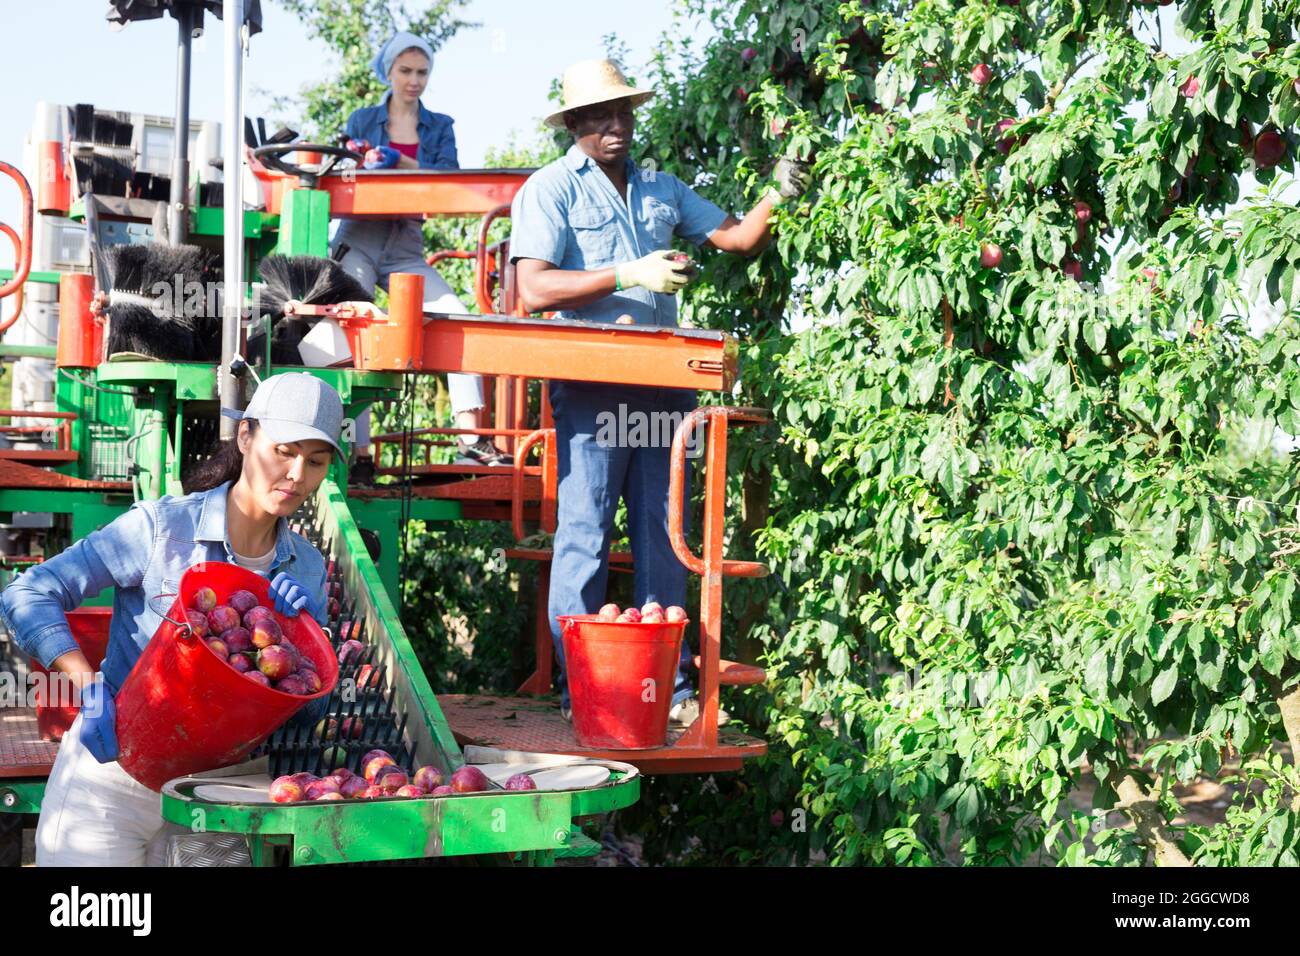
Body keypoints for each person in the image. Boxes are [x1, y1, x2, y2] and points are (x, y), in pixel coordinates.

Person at [510, 58, 811, 725]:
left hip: (662, 389)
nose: (613, 126)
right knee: (585, 533)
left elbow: (735, 237)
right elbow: (533, 288)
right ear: (574, 126)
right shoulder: (551, 189)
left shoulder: (661, 189)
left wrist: (778, 194)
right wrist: (628, 271)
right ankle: (580, 687)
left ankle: (668, 689)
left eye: (622, 114)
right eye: (597, 117)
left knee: (662, 531)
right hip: (594, 389)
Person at [0, 373, 344, 865]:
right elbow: (28, 592)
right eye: (284, 451)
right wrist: (87, 685)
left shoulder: (306, 569)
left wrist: (304, 646)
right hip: (112, 778)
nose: (296, 474)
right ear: (246, 437)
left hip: (220, 795)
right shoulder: (161, 528)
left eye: (315, 462)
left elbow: (306, 714)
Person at [335, 29, 510, 469]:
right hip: (361, 235)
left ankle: (470, 438)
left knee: (458, 317)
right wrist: (363, 161)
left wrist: (402, 163)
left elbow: (447, 185)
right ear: (389, 72)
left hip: (406, 244)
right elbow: (347, 168)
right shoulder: (362, 119)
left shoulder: (441, 127)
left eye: (422, 72)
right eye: (406, 71)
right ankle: (358, 449)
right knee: (354, 323)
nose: (414, 80)